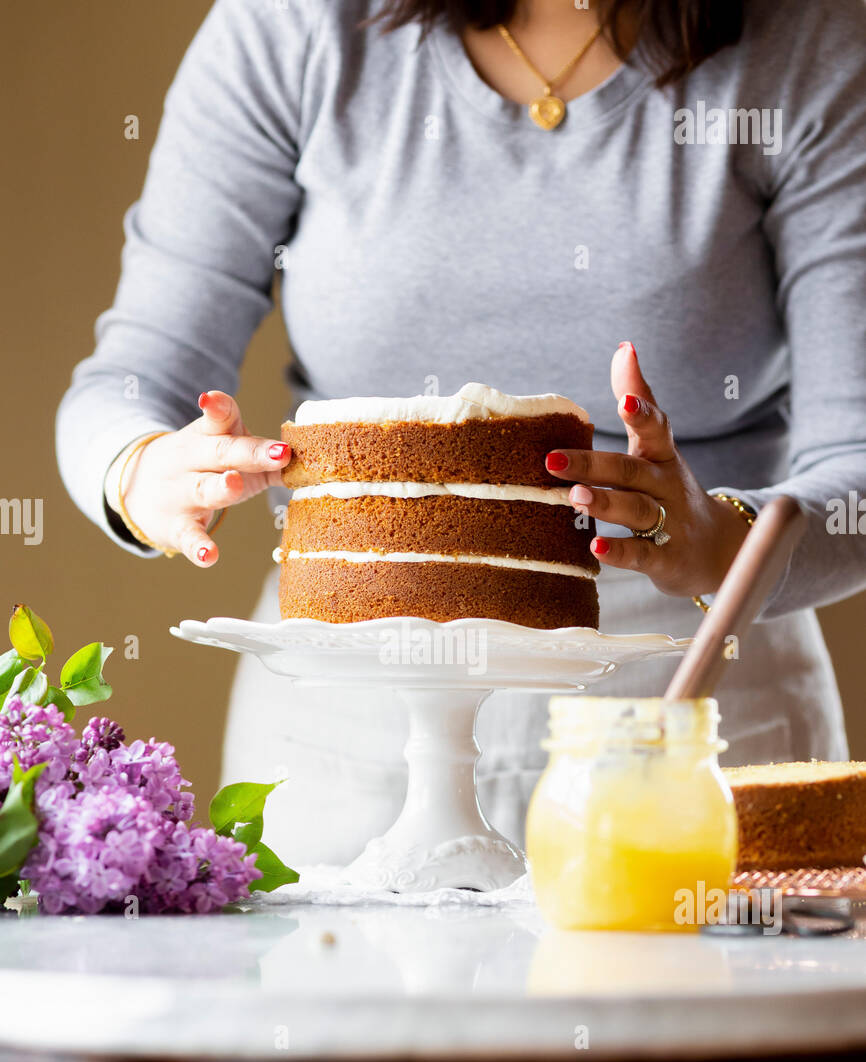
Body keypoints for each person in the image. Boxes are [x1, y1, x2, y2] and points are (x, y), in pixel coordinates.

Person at [57, 0, 866, 865]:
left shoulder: (809, 41)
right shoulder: (294, 27)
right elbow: (127, 384)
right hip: (342, 738)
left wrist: (722, 542)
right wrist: (140, 470)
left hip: (694, 716)